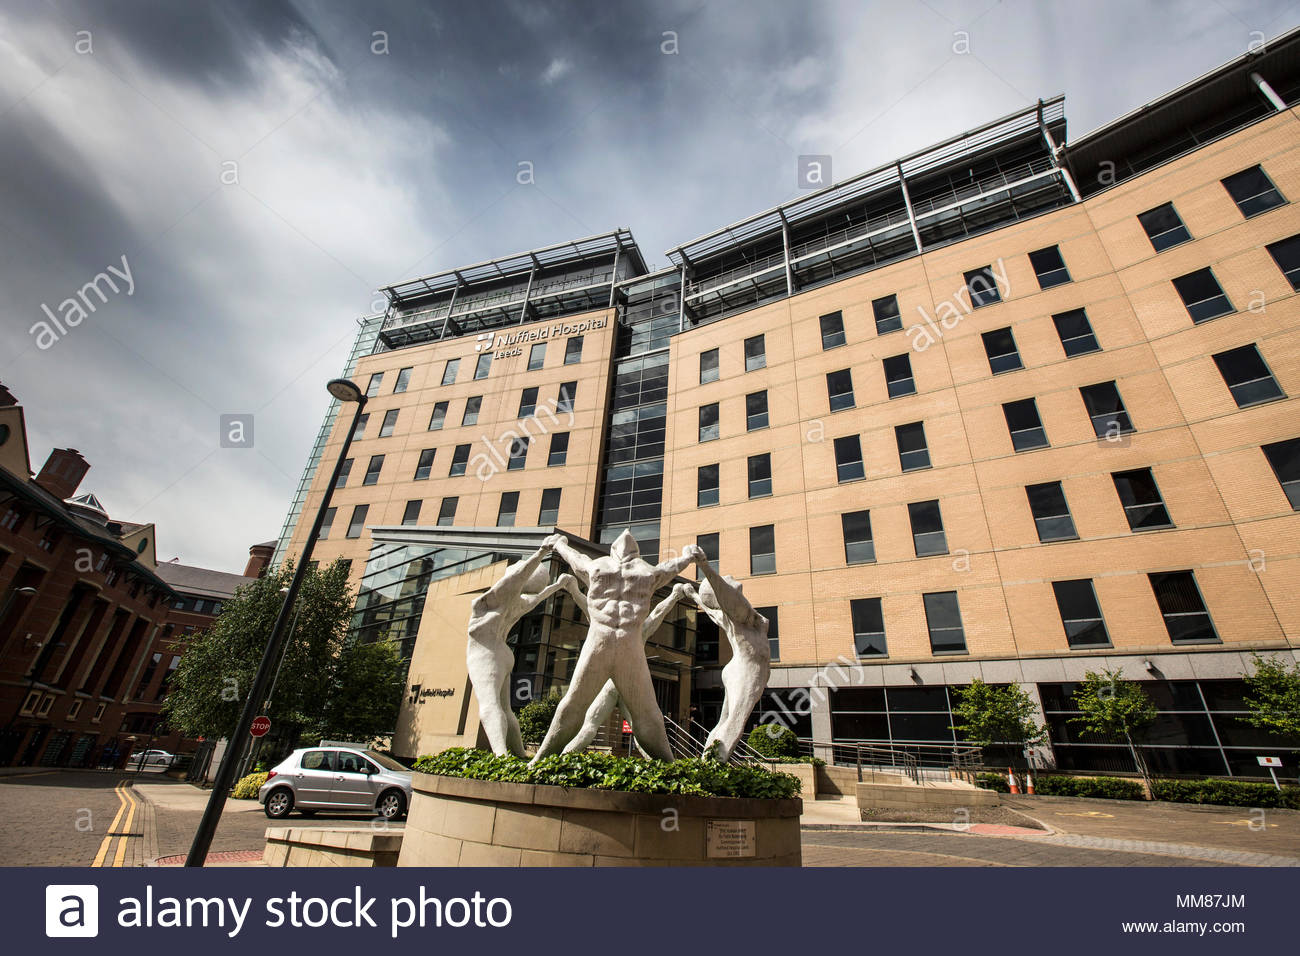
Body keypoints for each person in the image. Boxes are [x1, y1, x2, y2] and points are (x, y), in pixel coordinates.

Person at [531, 532, 702, 763]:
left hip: (610, 642)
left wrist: (559, 544)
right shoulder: (645, 572)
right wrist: (687, 557)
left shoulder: (601, 568)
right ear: (637, 552)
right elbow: (669, 567)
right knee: (587, 707)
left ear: (612, 549)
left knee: (636, 713)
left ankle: (540, 760)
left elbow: (575, 557)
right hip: (620, 643)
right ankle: (541, 758)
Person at [467, 535, 585, 757]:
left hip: (486, 653)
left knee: (490, 706)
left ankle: (501, 756)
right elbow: (538, 596)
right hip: (504, 652)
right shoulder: (521, 603)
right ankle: (519, 754)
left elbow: (515, 581)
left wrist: (541, 552)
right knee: (507, 710)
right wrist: (557, 586)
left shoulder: (486, 603)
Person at [562, 581, 693, 755]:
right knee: (639, 731)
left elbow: (587, 607)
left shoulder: (609, 627)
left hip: (613, 686)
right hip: (627, 684)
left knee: (591, 726)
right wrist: (674, 596)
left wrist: (573, 590)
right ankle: (665, 769)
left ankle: (560, 760)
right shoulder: (637, 631)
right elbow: (657, 614)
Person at [691, 566, 770, 763]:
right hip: (747, 669)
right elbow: (725, 595)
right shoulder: (739, 613)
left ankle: (705, 762)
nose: (730, 576)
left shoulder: (732, 615)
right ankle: (713, 767)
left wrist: (693, 595)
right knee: (735, 720)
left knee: (724, 721)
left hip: (738, 668)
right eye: (723, 581)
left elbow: (711, 611)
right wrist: (705, 568)